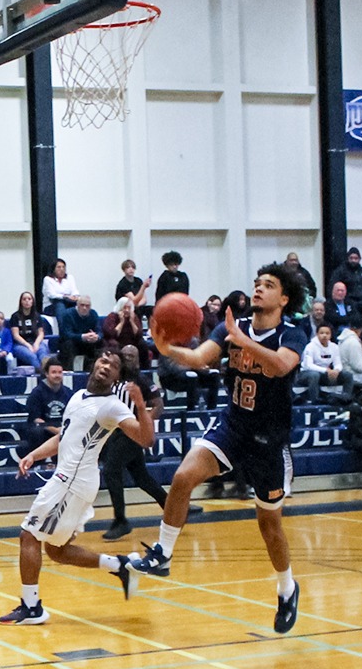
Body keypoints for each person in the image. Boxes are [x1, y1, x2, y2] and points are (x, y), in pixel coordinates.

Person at [129, 263, 309, 634]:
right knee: (183, 476)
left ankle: (287, 588)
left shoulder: (293, 333)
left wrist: (243, 341)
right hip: (234, 425)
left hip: (270, 440)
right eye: (257, 283)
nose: (258, 288)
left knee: (269, 526)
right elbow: (199, 358)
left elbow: (280, 366)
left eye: (268, 285)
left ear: (284, 298)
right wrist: (167, 349)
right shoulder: (232, 326)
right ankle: (163, 554)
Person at [5, 351, 150, 624]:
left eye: (114, 366)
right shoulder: (77, 396)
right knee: (56, 550)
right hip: (72, 480)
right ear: (94, 364)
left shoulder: (111, 406)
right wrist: (34, 455)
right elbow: (64, 437)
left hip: (72, 481)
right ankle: (122, 565)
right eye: (104, 360)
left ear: (117, 377)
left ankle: (31, 608)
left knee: (29, 535)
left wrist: (141, 407)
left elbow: (146, 439)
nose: (106, 366)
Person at [101, 348, 171, 540]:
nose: (127, 359)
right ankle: (172, 507)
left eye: (131, 356)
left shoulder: (140, 381)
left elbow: (158, 405)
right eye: (124, 357)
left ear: (138, 360)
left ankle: (121, 520)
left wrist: (143, 425)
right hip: (116, 433)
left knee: (110, 470)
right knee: (141, 477)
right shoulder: (113, 381)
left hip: (131, 433)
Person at [20, 358, 73, 456]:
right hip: (44, 430)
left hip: (62, 429)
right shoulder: (37, 393)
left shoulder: (68, 392)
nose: (57, 375)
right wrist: (56, 430)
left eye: (60, 372)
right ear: (46, 374)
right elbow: (36, 419)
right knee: (37, 431)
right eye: (54, 372)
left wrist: (64, 430)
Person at [297, 322, 348, 403]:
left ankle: (346, 399)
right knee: (314, 375)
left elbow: (338, 363)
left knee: (347, 375)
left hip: (326, 374)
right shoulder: (310, 347)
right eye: (322, 333)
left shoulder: (334, 347)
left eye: (327, 333)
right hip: (306, 374)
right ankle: (314, 401)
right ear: (317, 334)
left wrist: (336, 370)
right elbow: (308, 365)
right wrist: (326, 370)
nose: (324, 335)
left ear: (331, 335)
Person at [101, 295, 152, 369]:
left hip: (131, 342)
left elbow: (139, 334)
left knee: (142, 344)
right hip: (118, 341)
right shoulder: (112, 316)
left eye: (129, 308)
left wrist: (132, 322)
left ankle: (144, 369)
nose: (127, 310)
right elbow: (111, 334)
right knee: (113, 344)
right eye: (124, 308)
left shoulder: (134, 317)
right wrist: (121, 322)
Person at [56, 294, 103, 370]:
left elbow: (99, 331)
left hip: (88, 342)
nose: (84, 308)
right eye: (82, 305)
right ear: (77, 305)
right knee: (68, 344)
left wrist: (97, 336)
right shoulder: (68, 314)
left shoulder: (93, 314)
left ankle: (96, 369)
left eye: (87, 306)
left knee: (101, 343)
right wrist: (83, 336)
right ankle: (70, 370)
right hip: (73, 342)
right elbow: (66, 334)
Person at [8, 292, 50, 370]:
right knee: (32, 356)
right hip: (20, 345)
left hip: (36, 342)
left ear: (32, 301)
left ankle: (47, 372)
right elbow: (16, 335)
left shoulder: (37, 316)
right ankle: (41, 373)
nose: (27, 301)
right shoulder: (15, 316)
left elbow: (41, 333)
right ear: (21, 302)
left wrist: (36, 344)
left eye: (29, 299)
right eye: (24, 299)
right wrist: (28, 345)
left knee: (43, 354)